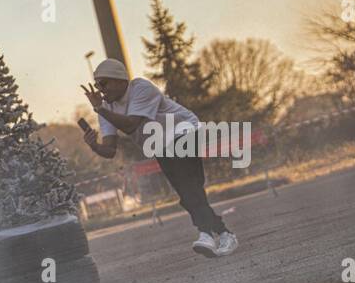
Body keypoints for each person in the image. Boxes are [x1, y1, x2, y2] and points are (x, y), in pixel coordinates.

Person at [81, 58, 238, 258]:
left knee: (189, 187)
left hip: (183, 130)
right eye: (96, 85)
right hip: (160, 144)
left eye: (103, 84)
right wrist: (94, 145)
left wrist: (100, 109)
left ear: (121, 81)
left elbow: (131, 124)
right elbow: (110, 150)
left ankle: (206, 234)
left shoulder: (140, 88)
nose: (100, 90)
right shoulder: (106, 110)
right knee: (187, 192)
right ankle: (224, 234)